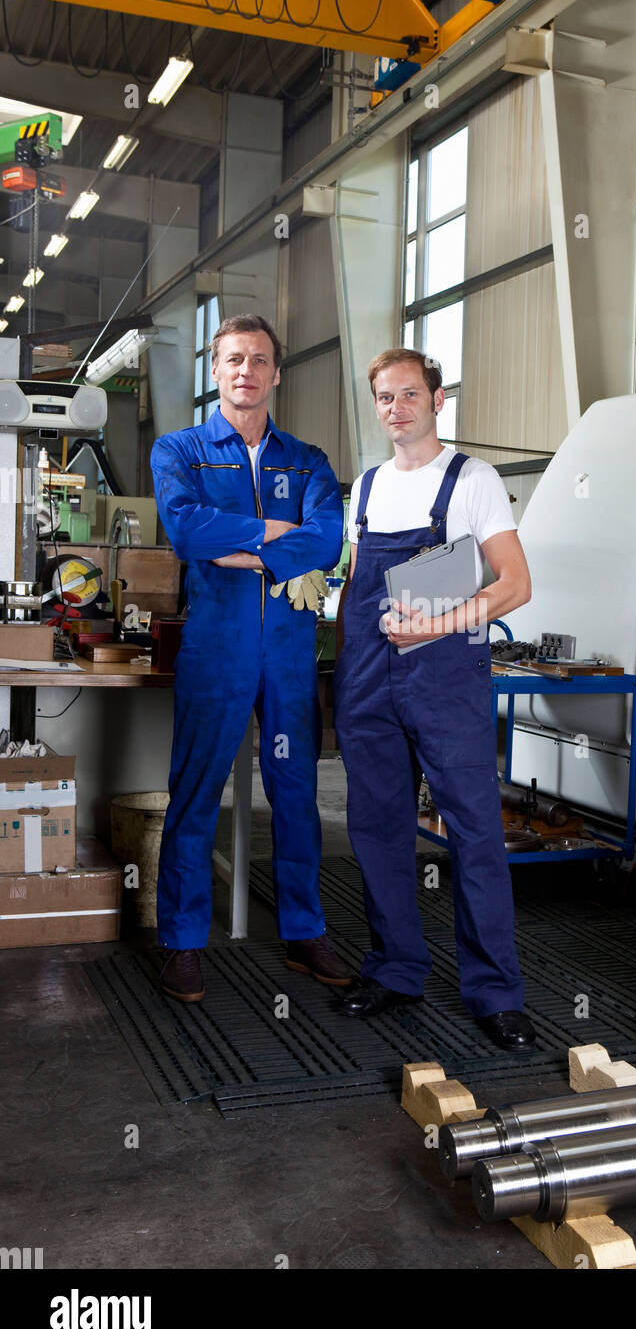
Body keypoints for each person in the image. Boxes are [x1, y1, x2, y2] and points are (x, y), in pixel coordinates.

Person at [334, 348, 536, 1050]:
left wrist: (438, 622)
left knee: (475, 831)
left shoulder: (472, 479)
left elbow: (514, 583)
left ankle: (494, 992)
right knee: (377, 828)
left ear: (438, 398)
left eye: (410, 394)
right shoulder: (363, 489)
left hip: (446, 678)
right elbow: (358, 589)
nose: (397, 407)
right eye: (385, 397)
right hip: (368, 679)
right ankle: (394, 970)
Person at [150, 313, 349, 1003]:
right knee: (197, 791)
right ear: (216, 370)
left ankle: (304, 930)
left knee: (296, 794)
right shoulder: (180, 452)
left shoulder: (309, 461)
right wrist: (273, 534)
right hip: (217, 648)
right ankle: (180, 941)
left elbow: (327, 544)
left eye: (259, 360)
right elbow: (185, 530)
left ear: (275, 373)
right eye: (234, 359)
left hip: (290, 652)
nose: (246, 371)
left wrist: (240, 548)